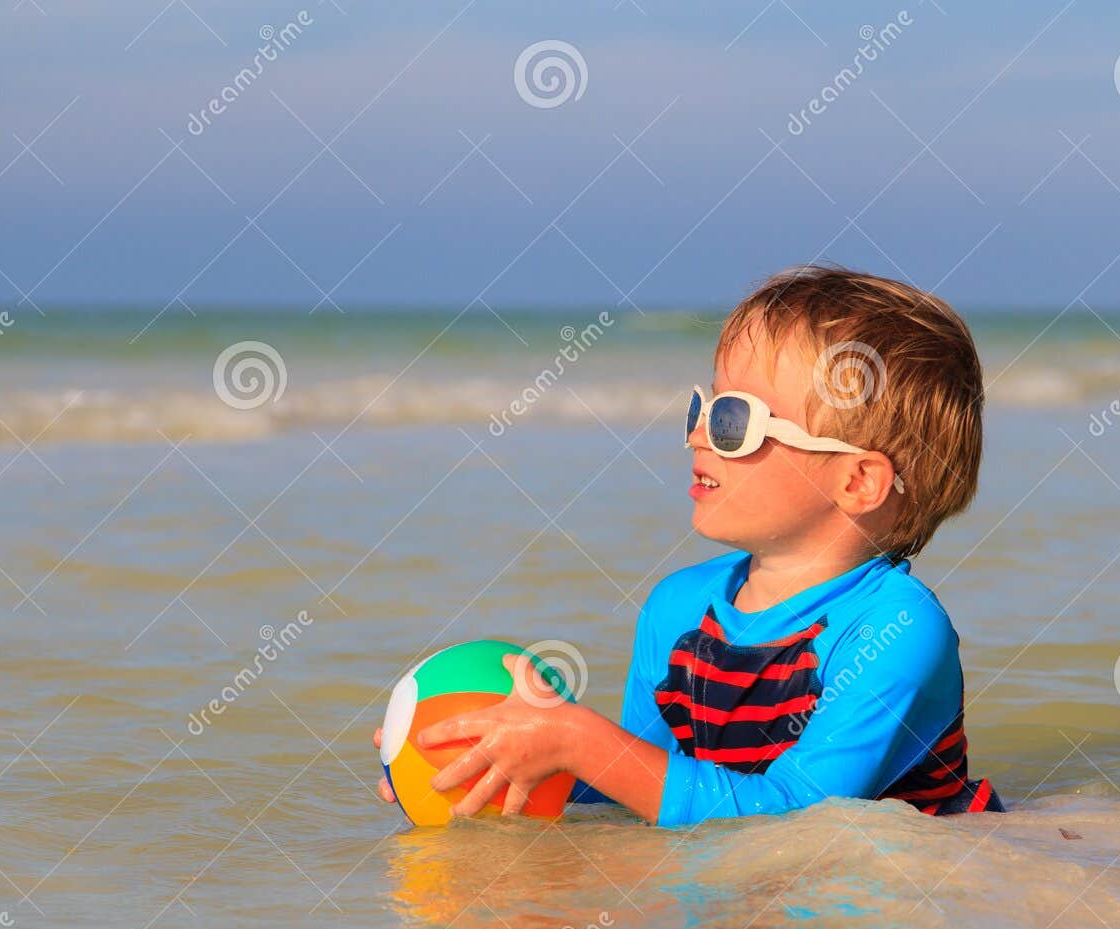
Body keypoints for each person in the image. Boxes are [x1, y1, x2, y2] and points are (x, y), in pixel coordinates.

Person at [376, 265, 1003, 824]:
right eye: (702, 406)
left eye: (735, 420)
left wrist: (580, 742)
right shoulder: (679, 608)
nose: (698, 434)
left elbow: (803, 819)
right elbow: (633, 798)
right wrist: (486, 755)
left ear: (857, 480)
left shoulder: (896, 628)